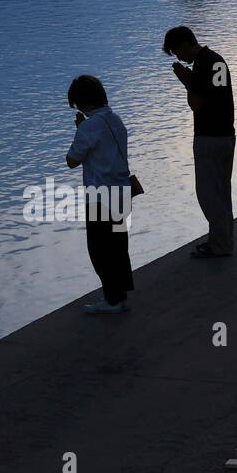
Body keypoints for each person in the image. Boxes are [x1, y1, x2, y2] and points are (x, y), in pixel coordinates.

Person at [163, 25, 236, 258]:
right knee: (222, 191)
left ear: (185, 45)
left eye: (177, 52)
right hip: (226, 135)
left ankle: (220, 245)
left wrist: (187, 81)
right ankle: (224, 239)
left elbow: (197, 104)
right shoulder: (217, 61)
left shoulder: (203, 66)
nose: (179, 58)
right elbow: (219, 96)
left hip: (208, 138)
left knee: (207, 193)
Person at [66, 75, 135, 314]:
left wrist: (79, 131)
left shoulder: (89, 126)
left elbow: (72, 160)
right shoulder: (115, 120)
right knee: (118, 246)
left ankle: (112, 299)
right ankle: (120, 294)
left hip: (100, 198)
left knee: (100, 250)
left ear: (82, 102)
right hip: (122, 192)